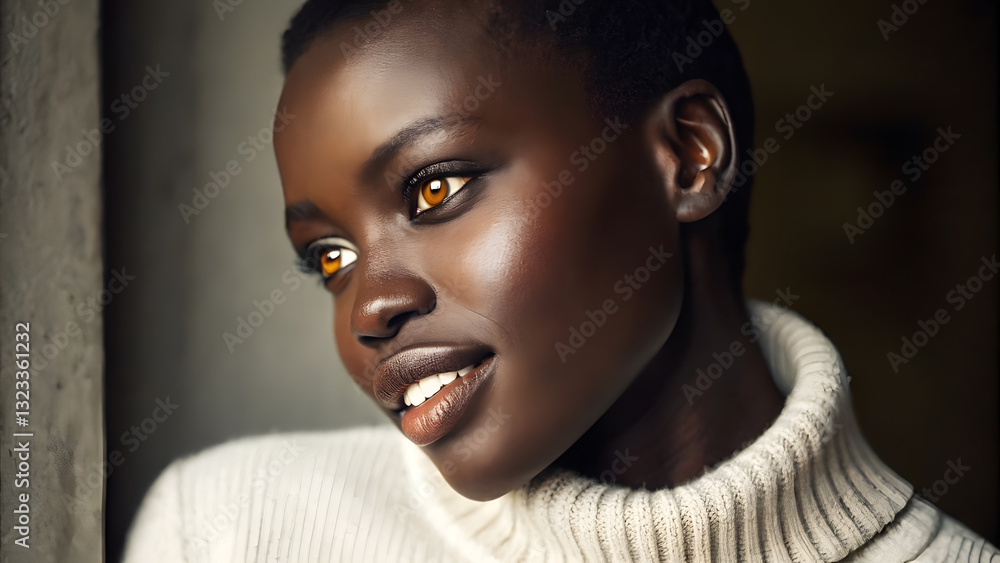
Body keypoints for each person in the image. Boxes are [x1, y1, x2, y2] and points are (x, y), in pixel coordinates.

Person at [123, 0, 997, 560]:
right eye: (331, 257)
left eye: (435, 189)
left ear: (688, 154)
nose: (370, 307)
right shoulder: (231, 526)